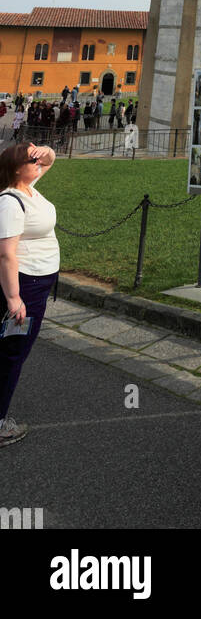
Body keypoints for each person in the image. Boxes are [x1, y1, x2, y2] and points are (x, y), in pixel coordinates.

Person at [0, 143, 59, 447]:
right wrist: (14, 298)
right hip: (26, 286)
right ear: (15, 168)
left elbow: (50, 158)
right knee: (13, 353)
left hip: (37, 283)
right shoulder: (11, 201)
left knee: (11, 350)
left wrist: (42, 150)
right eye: (29, 160)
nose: (37, 163)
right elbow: (6, 254)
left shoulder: (27, 186)